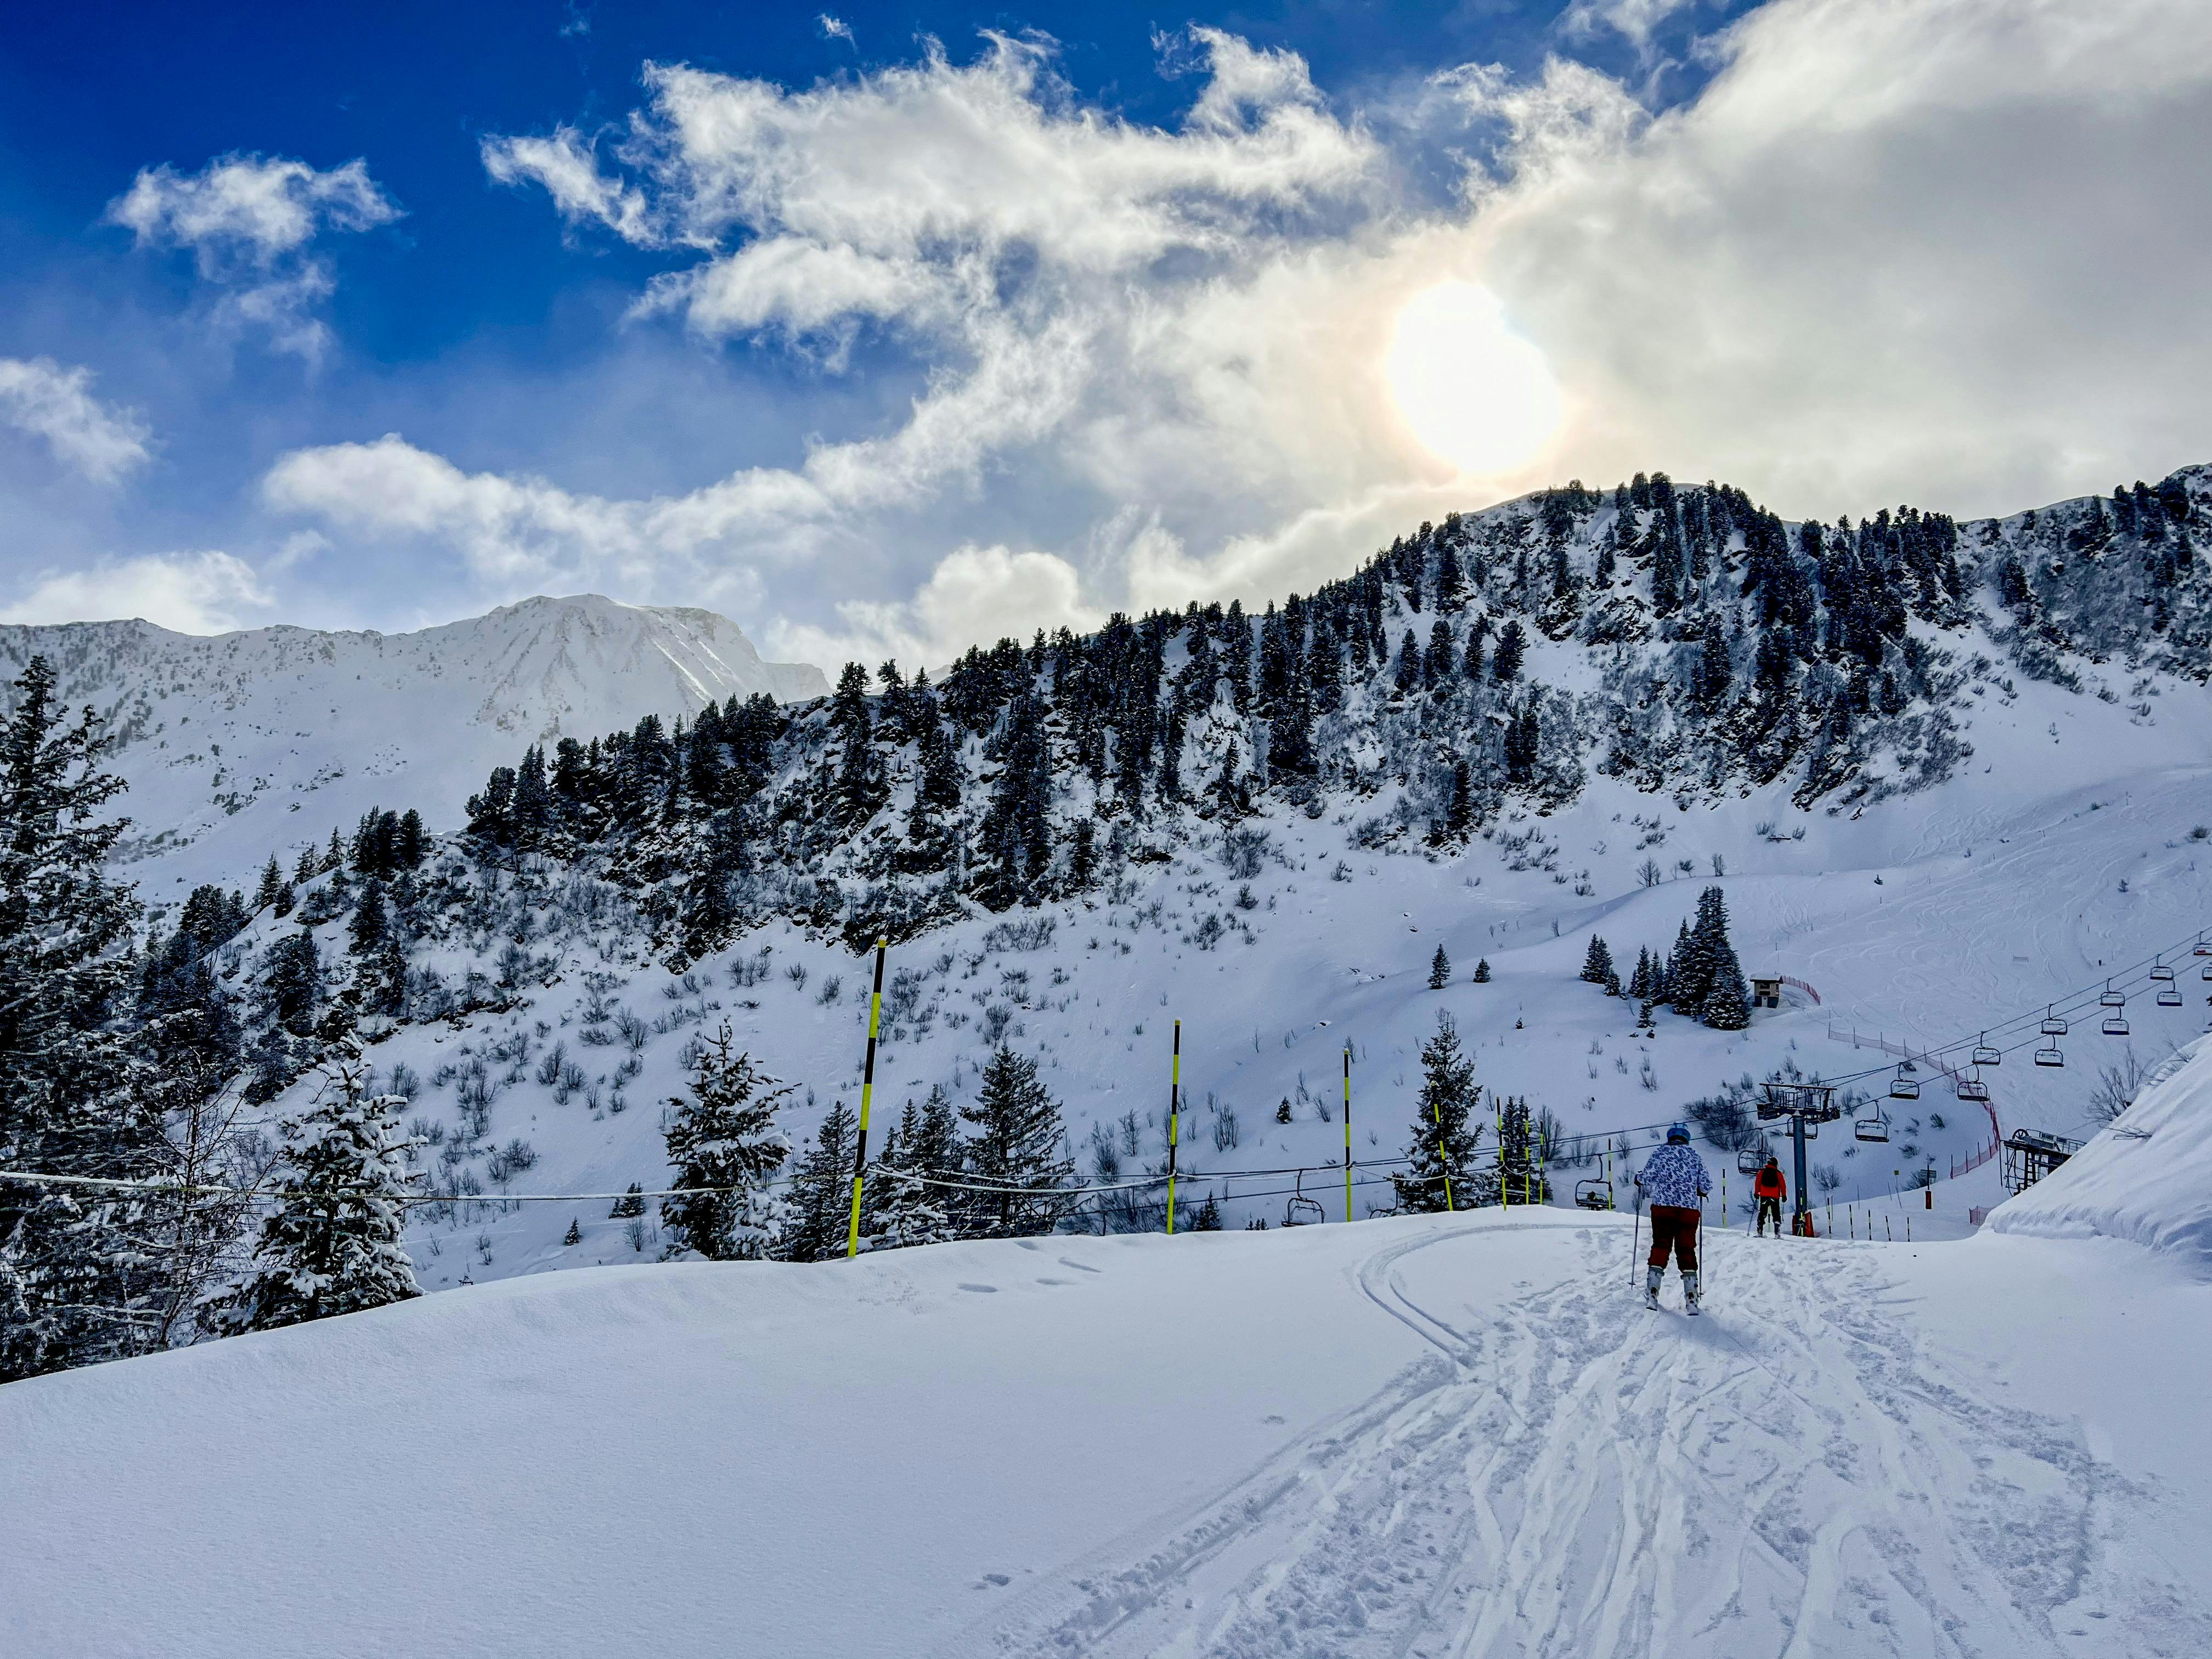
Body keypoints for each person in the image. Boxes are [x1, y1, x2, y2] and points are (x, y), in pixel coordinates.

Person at [1635, 1124, 1711, 1313]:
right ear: (1687, 1138)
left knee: (1661, 1246)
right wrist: (1697, 1189)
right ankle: (1691, 1298)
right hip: (1688, 1211)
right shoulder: (1695, 1156)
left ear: (1670, 1137)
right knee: (1686, 1249)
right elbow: (1706, 1186)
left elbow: (1646, 1179)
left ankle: (1653, 1292)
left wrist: (1639, 1178)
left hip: (1663, 1209)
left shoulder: (1660, 1153)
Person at [1754, 1155, 1787, 1237]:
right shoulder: (1778, 1173)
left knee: (1762, 1213)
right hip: (1775, 1197)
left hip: (1764, 1196)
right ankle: (1777, 1232)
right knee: (1776, 1213)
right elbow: (1783, 1185)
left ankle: (1760, 1230)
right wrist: (1784, 1195)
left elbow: (1758, 1182)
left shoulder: (1762, 1172)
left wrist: (1757, 1193)